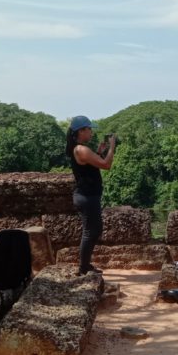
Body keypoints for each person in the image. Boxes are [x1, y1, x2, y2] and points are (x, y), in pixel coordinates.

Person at [65, 115, 117, 276]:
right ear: (81, 131)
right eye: (89, 129)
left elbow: (92, 165)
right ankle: (83, 268)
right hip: (86, 197)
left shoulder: (79, 148)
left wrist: (99, 152)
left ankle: (85, 265)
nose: (91, 133)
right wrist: (112, 147)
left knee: (95, 230)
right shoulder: (81, 149)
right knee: (90, 232)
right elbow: (106, 165)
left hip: (88, 195)